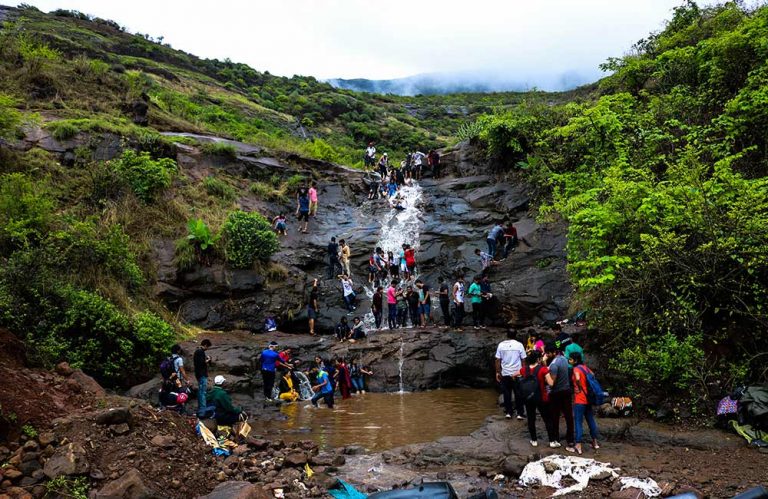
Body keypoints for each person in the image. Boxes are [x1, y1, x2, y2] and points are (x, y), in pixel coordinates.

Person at [520, 351, 558, 447]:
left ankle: (534, 440)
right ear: (538, 359)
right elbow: (551, 383)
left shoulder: (524, 369)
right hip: (541, 397)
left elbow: (515, 374)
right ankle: (552, 441)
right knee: (547, 419)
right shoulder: (543, 369)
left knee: (531, 419)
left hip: (528, 398)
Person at [545, 342, 575, 451]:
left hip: (556, 393)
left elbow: (552, 382)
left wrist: (545, 373)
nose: (546, 355)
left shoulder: (553, 365)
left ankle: (556, 438)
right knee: (568, 416)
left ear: (553, 352)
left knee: (555, 416)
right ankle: (570, 439)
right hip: (567, 390)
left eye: (548, 353)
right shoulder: (564, 359)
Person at [570, 352, 600, 454]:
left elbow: (577, 378)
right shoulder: (585, 368)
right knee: (590, 419)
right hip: (588, 398)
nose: (569, 361)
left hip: (579, 399)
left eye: (571, 359)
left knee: (578, 421)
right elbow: (593, 375)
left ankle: (578, 444)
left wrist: (579, 387)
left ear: (575, 360)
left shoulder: (576, 369)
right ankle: (595, 442)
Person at [495, 330, 527, 420]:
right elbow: (523, 360)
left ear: (507, 335)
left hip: (505, 373)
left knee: (506, 393)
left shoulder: (501, 345)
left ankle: (508, 412)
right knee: (518, 394)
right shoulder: (519, 345)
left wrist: (498, 372)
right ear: (515, 335)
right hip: (517, 373)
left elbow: (497, 360)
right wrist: (523, 371)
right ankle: (519, 413)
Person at [193, 339, 213, 418]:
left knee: (201, 391)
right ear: (205, 345)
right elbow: (201, 363)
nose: (207, 349)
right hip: (201, 374)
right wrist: (208, 360)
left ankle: (200, 409)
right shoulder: (200, 352)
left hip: (198, 374)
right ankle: (203, 411)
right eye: (207, 347)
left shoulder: (198, 351)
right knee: (203, 392)